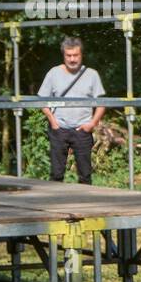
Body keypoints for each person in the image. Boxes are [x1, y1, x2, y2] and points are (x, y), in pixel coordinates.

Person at [38, 37, 105, 184]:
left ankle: (84, 205)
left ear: (81, 55)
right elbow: (42, 100)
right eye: (69, 55)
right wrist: (53, 121)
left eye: (76, 55)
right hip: (59, 129)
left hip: (83, 129)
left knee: (85, 175)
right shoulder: (53, 73)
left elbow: (101, 103)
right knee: (56, 174)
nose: (72, 59)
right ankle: (54, 205)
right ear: (63, 55)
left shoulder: (92, 75)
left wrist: (92, 124)